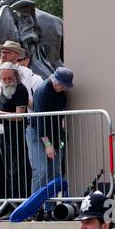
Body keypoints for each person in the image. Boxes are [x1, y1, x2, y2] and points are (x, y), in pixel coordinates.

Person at [0, 63, 31, 219]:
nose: (7, 81)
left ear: (16, 77)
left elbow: (19, 116)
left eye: (10, 78)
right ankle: (4, 207)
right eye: (4, 78)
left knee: (16, 171)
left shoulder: (20, 89)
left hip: (16, 138)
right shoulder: (3, 90)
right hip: (0, 137)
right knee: (3, 172)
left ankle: (18, 207)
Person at [28, 67, 74, 198]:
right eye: (60, 84)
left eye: (64, 85)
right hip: (37, 133)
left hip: (54, 133)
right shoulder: (42, 91)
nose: (62, 87)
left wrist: (59, 140)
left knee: (54, 171)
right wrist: (48, 145)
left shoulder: (61, 94)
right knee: (41, 171)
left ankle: (50, 207)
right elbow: (39, 120)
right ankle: (35, 207)